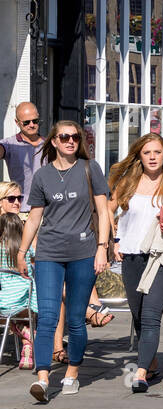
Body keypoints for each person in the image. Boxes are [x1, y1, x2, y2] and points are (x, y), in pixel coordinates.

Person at [17, 121, 111, 403]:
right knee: (46, 317)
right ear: (54, 142)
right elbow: (34, 216)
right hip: (49, 254)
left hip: (83, 252)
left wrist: (102, 248)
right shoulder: (43, 175)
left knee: (75, 318)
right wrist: (22, 252)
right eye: (64, 137)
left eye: (75, 137)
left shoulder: (89, 168)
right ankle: (43, 378)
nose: (70, 141)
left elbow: (103, 211)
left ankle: (72, 371)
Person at [0, 104, 112, 330]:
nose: (32, 125)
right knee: (45, 265)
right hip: (23, 212)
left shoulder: (51, 144)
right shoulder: (9, 144)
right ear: (17, 123)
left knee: (71, 257)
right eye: (26, 122)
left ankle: (90, 306)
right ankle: (88, 310)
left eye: (35, 121)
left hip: (54, 210)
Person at [109, 134, 163, 392]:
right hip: (132, 258)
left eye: (157, 152)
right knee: (139, 317)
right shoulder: (127, 184)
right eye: (147, 153)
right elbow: (106, 212)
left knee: (151, 315)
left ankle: (140, 373)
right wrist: (113, 240)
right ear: (139, 157)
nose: (153, 157)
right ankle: (151, 362)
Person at [0, 182, 37, 368]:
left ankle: (23, 334)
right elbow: (34, 256)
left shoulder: (22, 224)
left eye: (20, 198)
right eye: (11, 198)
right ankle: (29, 345)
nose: (17, 202)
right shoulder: (21, 233)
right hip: (24, 298)